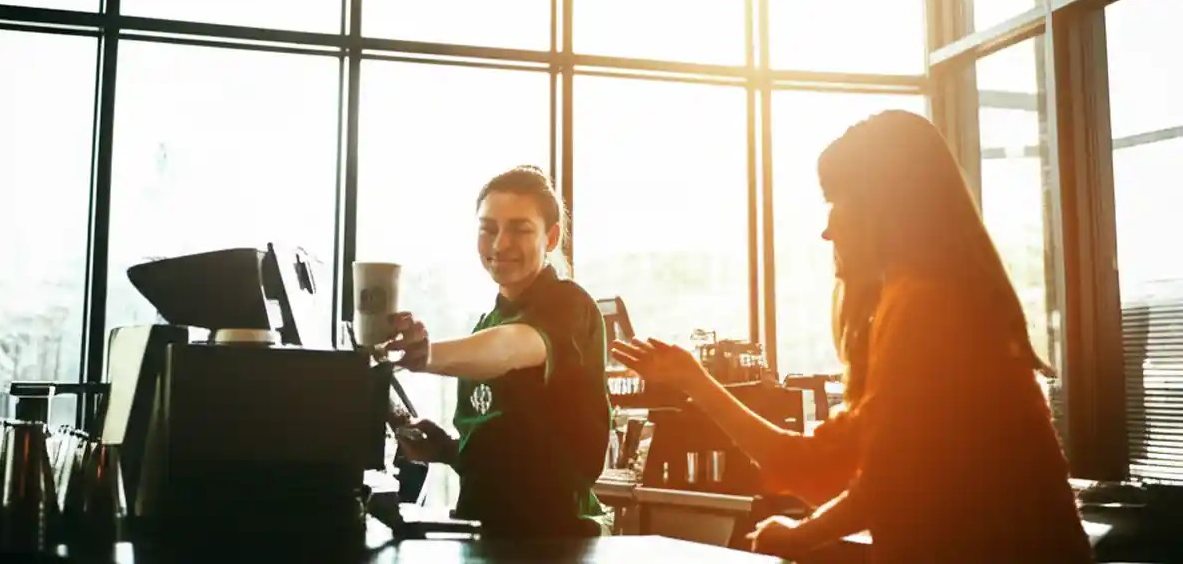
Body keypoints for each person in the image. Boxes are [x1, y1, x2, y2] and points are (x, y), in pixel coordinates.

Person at [612, 111, 1092, 562]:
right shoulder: (933, 302)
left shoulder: (927, 306)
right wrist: (692, 380)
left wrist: (800, 535)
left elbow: (885, 482)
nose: (826, 230)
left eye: (835, 202)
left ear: (882, 207)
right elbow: (822, 466)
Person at [384, 165, 613, 538]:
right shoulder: (487, 321)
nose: (500, 244)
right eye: (488, 229)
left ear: (551, 238)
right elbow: (515, 443)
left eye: (520, 229)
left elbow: (513, 347)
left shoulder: (568, 304)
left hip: (553, 535)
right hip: (487, 526)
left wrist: (425, 355)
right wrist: (447, 450)